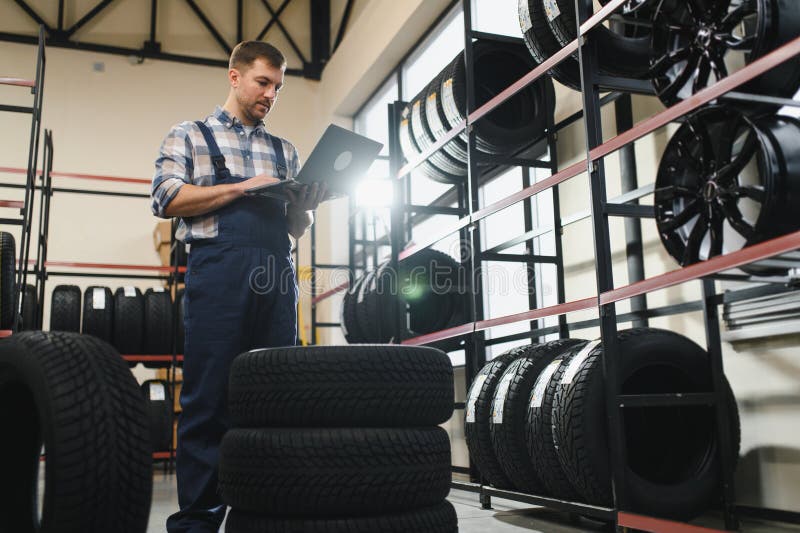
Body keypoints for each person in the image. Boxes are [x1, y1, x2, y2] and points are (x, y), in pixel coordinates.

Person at [150, 40, 327, 533]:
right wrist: (242, 187)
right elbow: (166, 199)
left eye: (278, 88)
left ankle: (264, 515)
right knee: (208, 401)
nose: (271, 95)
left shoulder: (284, 151)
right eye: (263, 83)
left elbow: (293, 229)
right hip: (218, 274)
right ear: (234, 76)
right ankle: (198, 521)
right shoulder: (189, 136)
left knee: (274, 397)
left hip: (275, 277)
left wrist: (303, 205)